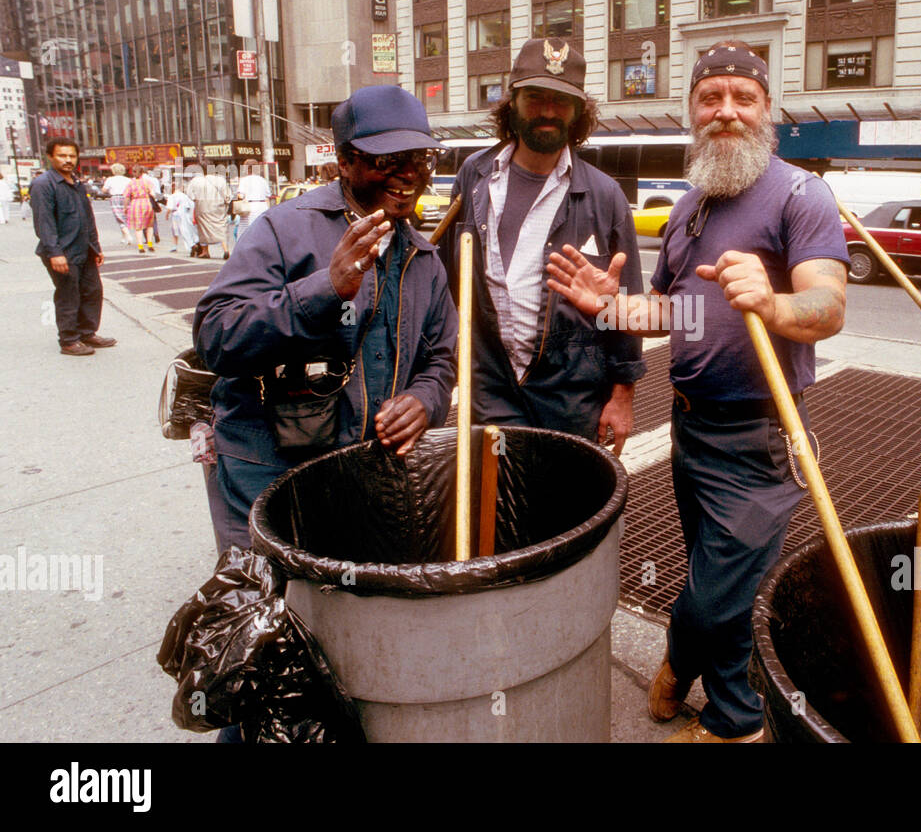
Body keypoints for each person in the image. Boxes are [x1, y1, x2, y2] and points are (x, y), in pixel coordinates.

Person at [547, 40, 849, 742]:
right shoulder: (690, 211)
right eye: (711, 97)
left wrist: (774, 305)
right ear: (692, 109)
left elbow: (828, 309)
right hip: (690, 430)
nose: (726, 111)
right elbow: (670, 313)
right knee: (711, 579)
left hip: (760, 438)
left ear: (768, 110)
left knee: (719, 598)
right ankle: (690, 677)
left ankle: (729, 717)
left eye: (743, 98)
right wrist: (607, 308)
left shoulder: (802, 196)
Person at [194, 83, 458, 559]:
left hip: (362, 479)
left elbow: (442, 357)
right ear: (344, 162)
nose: (407, 174)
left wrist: (425, 398)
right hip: (268, 476)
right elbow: (216, 336)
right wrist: (324, 290)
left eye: (419, 159)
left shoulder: (424, 258)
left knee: (343, 615)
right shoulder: (282, 230)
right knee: (266, 608)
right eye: (386, 160)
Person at [439, 38, 644, 452]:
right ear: (512, 101)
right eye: (535, 97)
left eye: (560, 101)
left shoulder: (605, 197)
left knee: (572, 512)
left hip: (571, 401)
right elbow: (448, 283)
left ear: (578, 112)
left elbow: (629, 305)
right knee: (494, 510)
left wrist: (622, 397)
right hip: (491, 395)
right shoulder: (474, 176)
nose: (548, 111)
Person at [30, 139, 117, 356]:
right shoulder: (44, 184)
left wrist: (96, 248)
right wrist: (55, 253)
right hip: (62, 251)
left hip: (84, 249)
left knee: (92, 291)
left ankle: (87, 332)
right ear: (50, 157)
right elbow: (44, 222)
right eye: (62, 155)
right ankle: (69, 340)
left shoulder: (77, 183)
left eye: (71, 156)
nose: (68, 160)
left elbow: (87, 218)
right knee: (69, 294)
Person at [188, 164, 230, 259]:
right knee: (221, 227)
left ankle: (205, 251)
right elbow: (227, 195)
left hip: (202, 207)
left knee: (203, 228)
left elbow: (190, 195)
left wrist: (197, 200)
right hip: (218, 207)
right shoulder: (221, 180)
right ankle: (226, 250)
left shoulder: (196, 181)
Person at [234, 159, 272, 235]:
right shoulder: (263, 180)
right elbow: (267, 197)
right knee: (262, 231)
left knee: (247, 232)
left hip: (249, 208)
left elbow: (241, 195)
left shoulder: (244, 180)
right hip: (262, 207)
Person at [124, 165, 156, 252]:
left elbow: (126, 197)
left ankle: (140, 246)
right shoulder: (147, 182)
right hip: (146, 203)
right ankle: (150, 244)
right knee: (149, 225)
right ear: (142, 173)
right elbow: (153, 194)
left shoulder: (130, 183)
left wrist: (125, 207)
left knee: (138, 227)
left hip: (135, 203)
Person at [103, 162, 132, 246]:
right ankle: (123, 237)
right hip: (126, 198)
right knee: (124, 216)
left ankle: (128, 235)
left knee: (119, 217)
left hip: (115, 198)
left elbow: (104, 190)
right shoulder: (128, 179)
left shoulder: (110, 179)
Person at [166, 182, 200, 256]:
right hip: (186, 215)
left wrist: (167, 215)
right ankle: (194, 243)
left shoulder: (172, 196)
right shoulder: (185, 196)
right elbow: (191, 205)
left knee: (178, 231)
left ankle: (191, 246)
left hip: (176, 215)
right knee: (188, 230)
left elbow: (169, 208)